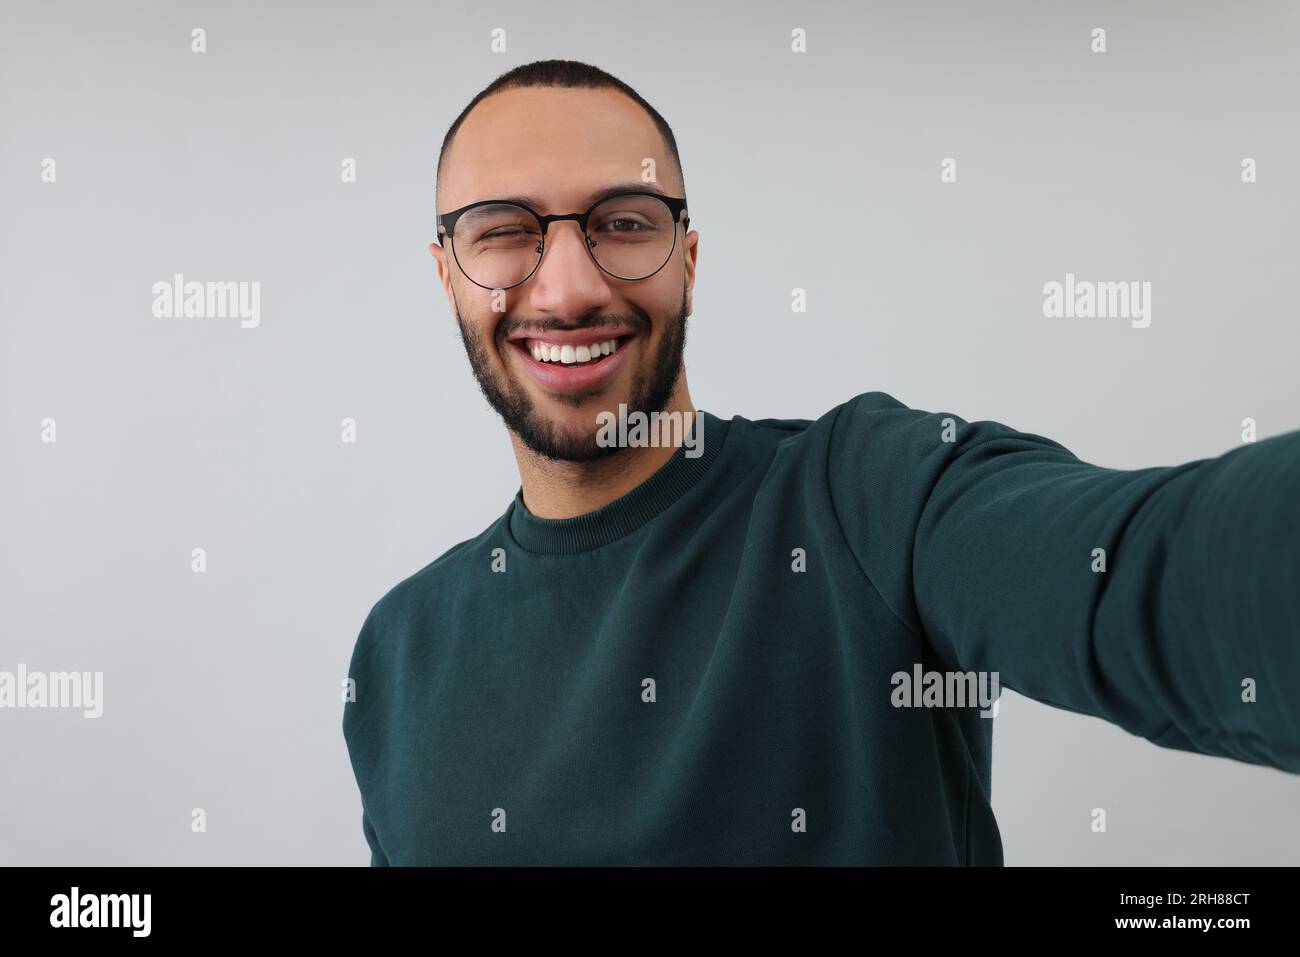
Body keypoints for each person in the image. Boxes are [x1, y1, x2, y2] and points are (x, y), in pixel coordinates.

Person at [342, 58, 1300, 865]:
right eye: (504, 232)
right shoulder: (396, 657)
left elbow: (1142, 568)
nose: (568, 286)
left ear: (688, 257)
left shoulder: (866, 498)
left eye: (625, 221)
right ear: (447, 274)